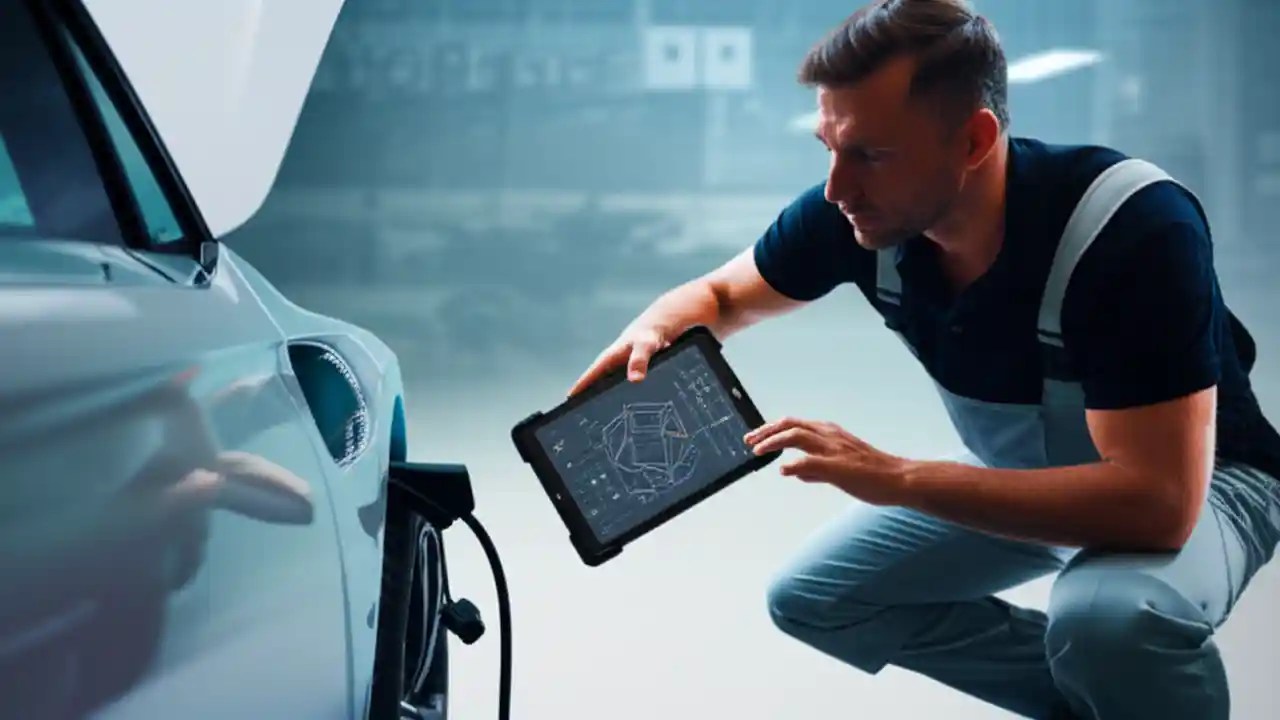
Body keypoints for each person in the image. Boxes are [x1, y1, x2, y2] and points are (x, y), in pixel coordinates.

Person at [567, 1, 1280, 718]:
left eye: (872, 155)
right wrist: (653, 329)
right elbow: (723, 295)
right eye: (828, 148)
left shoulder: (1133, 230)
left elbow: (1157, 508)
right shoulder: (856, 214)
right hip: (1033, 482)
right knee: (816, 597)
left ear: (974, 140)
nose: (837, 188)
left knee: (1107, 623)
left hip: (1206, 487)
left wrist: (896, 476)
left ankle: (1121, 680)